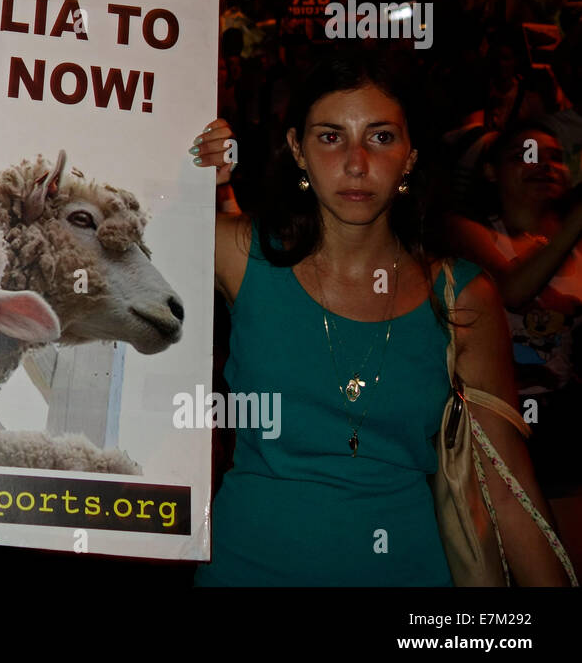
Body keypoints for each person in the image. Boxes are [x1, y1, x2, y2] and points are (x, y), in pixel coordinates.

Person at [190, 47, 569, 586]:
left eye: (381, 136)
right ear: (296, 148)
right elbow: (110, 226)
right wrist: (191, 169)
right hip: (247, 567)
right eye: (330, 136)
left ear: (411, 154)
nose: (356, 162)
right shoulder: (241, 253)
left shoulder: (462, 295)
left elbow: (508, 490)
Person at [443, 121, 582, 567]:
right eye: (525, 155)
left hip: (564, 424)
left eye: (555, 157)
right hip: (494, 424)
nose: (543, 165)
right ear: (490, 171)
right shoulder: (466, 233)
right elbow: (514, 289)